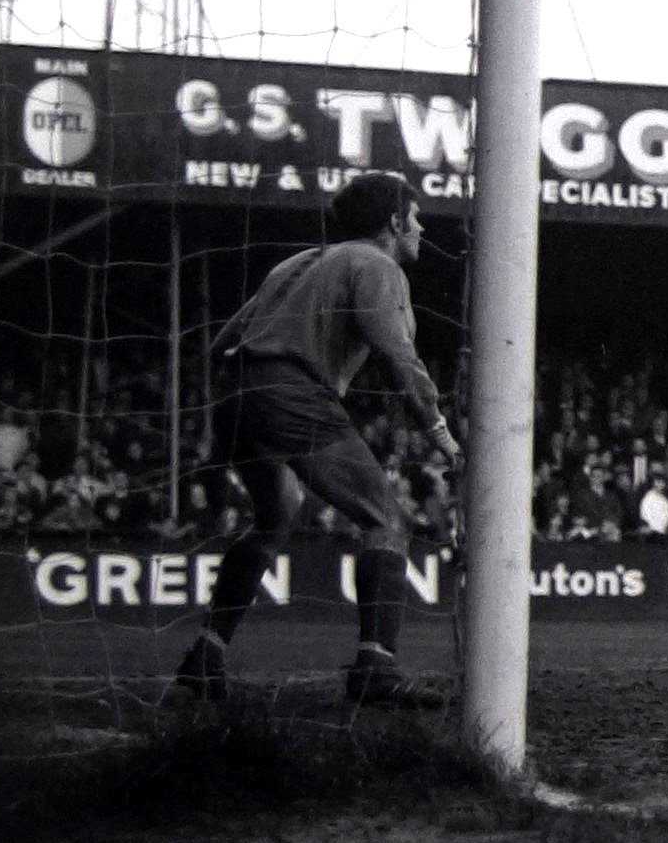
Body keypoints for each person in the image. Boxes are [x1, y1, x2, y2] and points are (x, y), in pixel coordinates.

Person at [170, 171, 459, 708]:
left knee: (277, 513)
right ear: (394, 222)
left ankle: (206, 655)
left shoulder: (292, 265)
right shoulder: (377, 265)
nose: (421, 228)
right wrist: (439, 432)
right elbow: (399, 357)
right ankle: (376, 663)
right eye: (416, 218)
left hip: (235, 393)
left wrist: (233, 413)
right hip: (292, 392)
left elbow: (223, 341)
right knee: (384, 518)